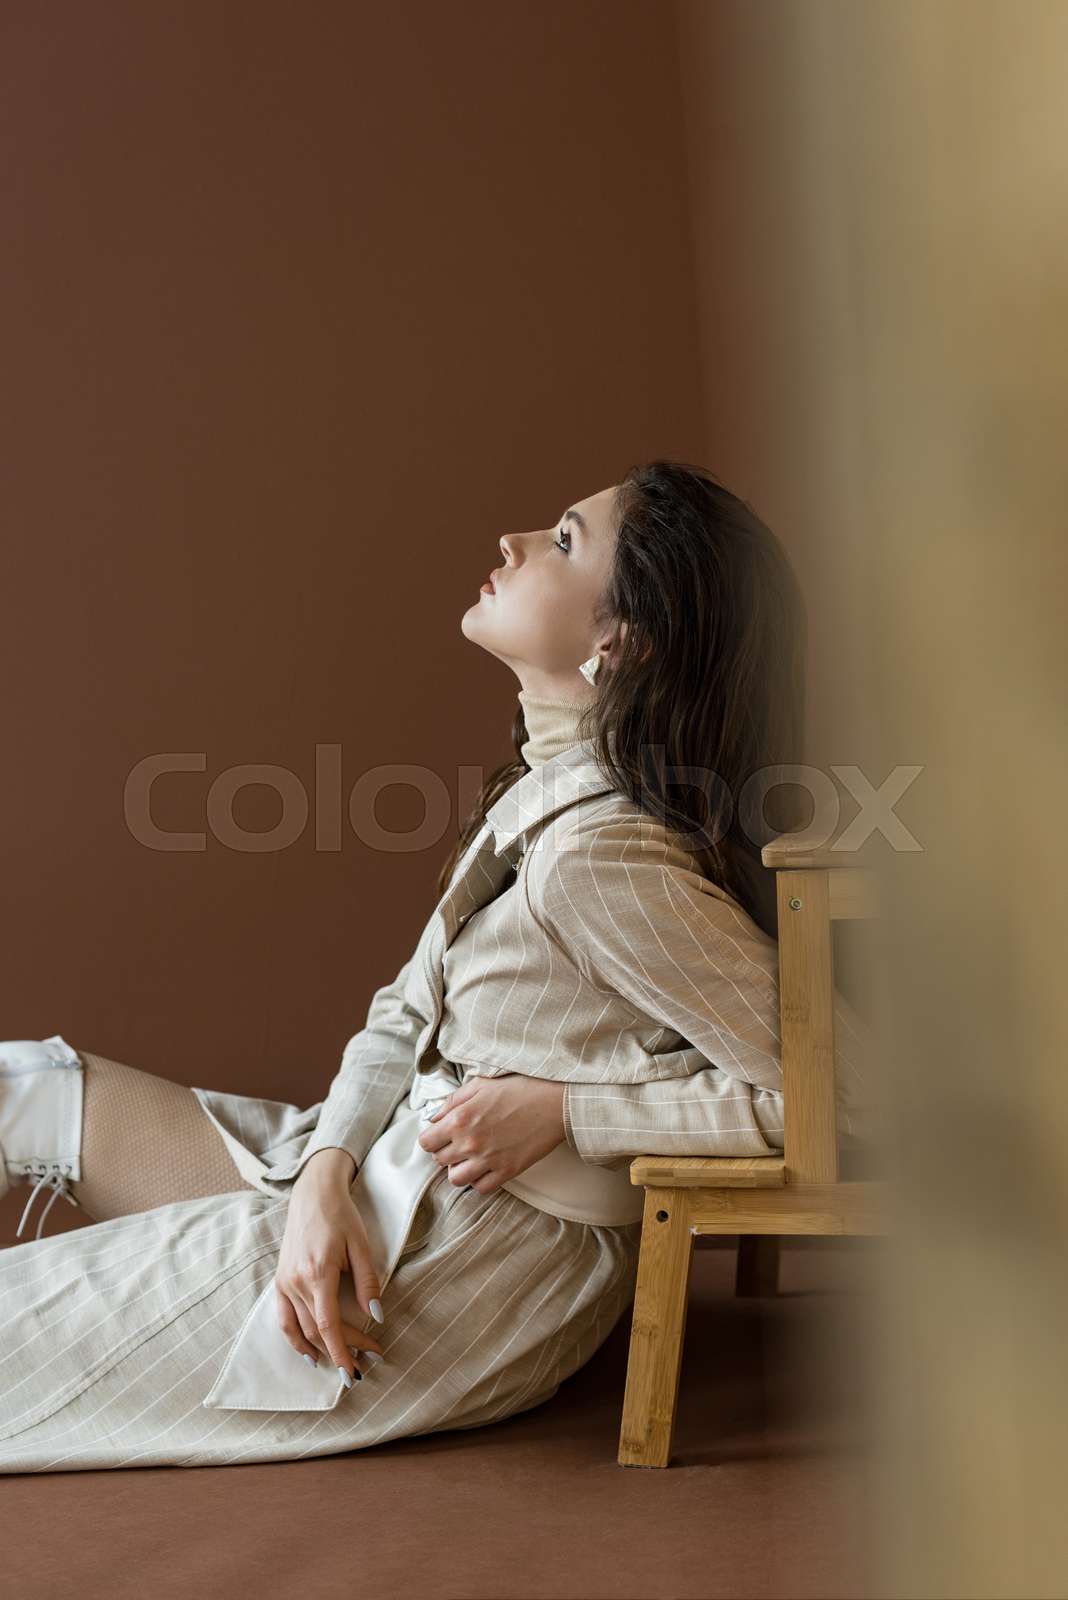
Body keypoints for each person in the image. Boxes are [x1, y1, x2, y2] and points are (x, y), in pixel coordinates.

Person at [0, 459, 874, 1473]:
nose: (510, 543)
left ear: (619, 639)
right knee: (22, 1084)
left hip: (463, 1271)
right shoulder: (546, 791)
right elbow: (402, 1011)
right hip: (370, 1178)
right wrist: (324, 1178)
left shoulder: (603, 855)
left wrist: (569, 1112)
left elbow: (845, 1097)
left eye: (561, 540)